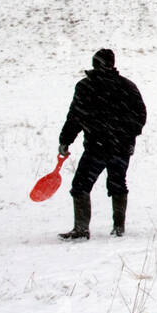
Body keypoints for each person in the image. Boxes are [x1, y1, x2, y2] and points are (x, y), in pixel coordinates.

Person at [57, 48, 147, 240]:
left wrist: (65, 141)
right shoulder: (127, 86)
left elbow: (75, 117)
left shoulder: (85, 86)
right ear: (112, 63)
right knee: (117, 183)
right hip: (121, 147)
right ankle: (119, 227)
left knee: (81, 185)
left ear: (94, 64)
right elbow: (140, 115)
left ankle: (81, 229)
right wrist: (128, 136)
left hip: (96, 147)